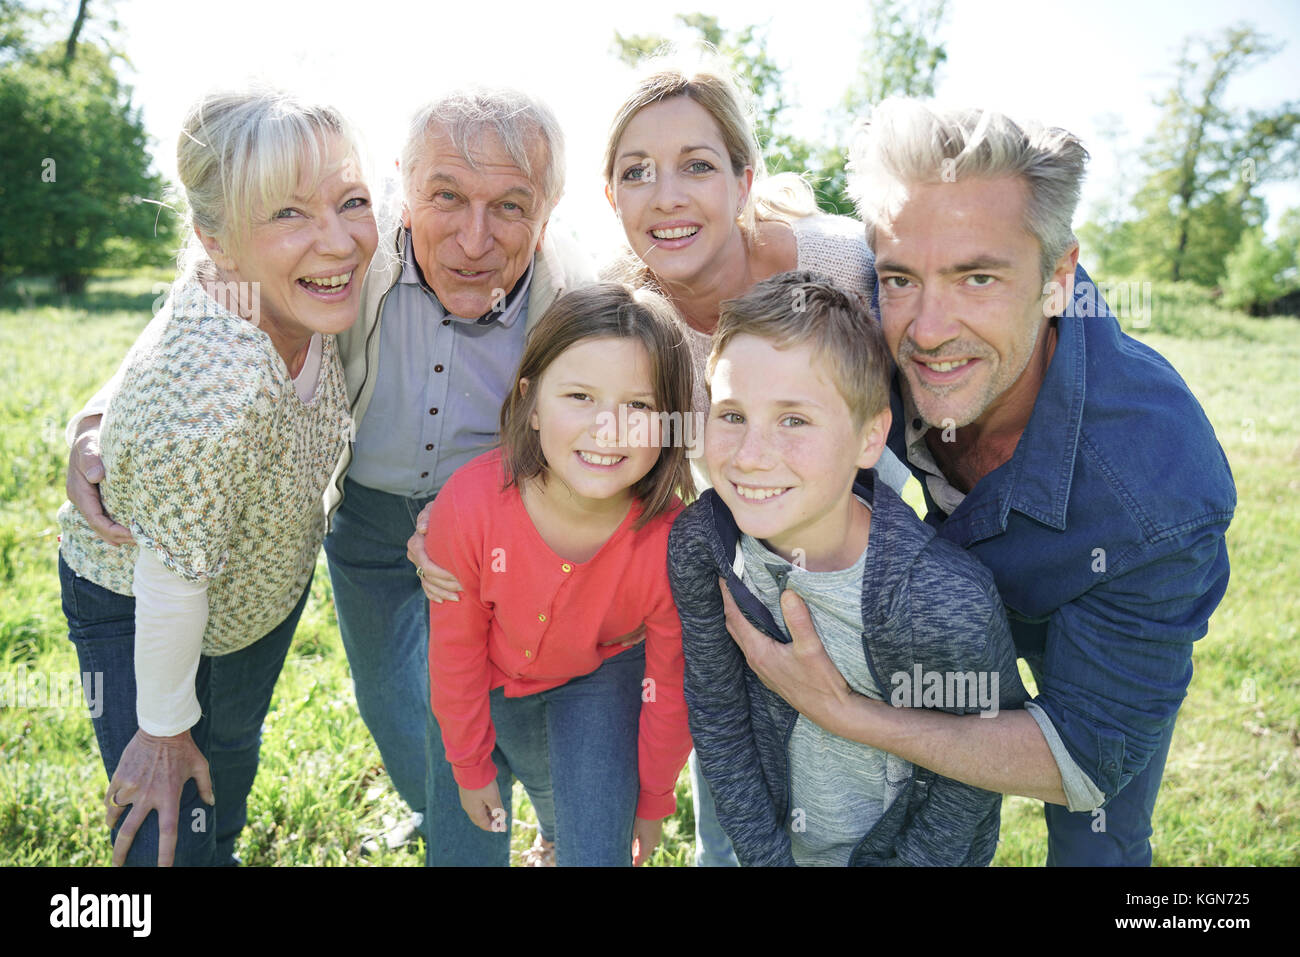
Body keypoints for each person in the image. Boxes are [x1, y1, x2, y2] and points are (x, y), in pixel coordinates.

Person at [70, 87, 597, 861]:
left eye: (511, 206)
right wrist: (101, 408)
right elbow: (208, 301)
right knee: (385, 707)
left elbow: (604, 425)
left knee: (468, 713)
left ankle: (487, 831)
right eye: (446, 196)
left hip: (469, 527)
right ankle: (430, 803)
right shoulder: (350, 248)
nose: (474, 238)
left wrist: (501, 511)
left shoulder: (566, 296)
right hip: (359, 521)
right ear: (405, 191)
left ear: (547, 213)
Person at [718, 98, 1236, 866]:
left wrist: (846, 711)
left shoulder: (1158, 494)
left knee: (1100, 834)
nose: (927, 330)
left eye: (978, 278)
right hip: (949, 583)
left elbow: (1084, 758)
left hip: (1085, 595)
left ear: (1058, 278)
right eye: (901, 278)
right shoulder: (864, 316)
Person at [599, 60, 915, 866]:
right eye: (637, 172)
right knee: (741, 785)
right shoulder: (629, 323)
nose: (665, 195)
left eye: (696, 165)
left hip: (873, 551)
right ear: (612, 198)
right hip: (746, 559)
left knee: (875, 779)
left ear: (744, 181)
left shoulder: (842, 263)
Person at [57, 88, 378, 866]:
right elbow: (171, 579)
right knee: (167, 828)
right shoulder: (217, 384)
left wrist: (99, 411)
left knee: (228, 760)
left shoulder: (269, 277)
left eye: (351, 201)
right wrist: (162, 730)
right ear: (216, 238)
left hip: (255, 586)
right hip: (146, 598)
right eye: (288, 215)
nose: (337, 243)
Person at [668, 271, 1027, 866]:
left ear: (869, 439)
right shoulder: (702, 545)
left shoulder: (944, 599)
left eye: (794, 420)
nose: (751, 456)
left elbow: (972, 777)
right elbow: (719, 714)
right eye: (732, 415)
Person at [425, 283, 695, 866]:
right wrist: (470, 766)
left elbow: (669, 687)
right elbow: (454, 650)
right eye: (579, 395)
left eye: (640, 406)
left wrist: (651, 799)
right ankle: (544, 820)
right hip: (484, 674)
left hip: (601, 675)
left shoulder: (674, 543)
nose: (608, 428)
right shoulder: (470, 507)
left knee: (598, 853)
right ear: (531, 402)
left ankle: (561, 832)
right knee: (460, 848)